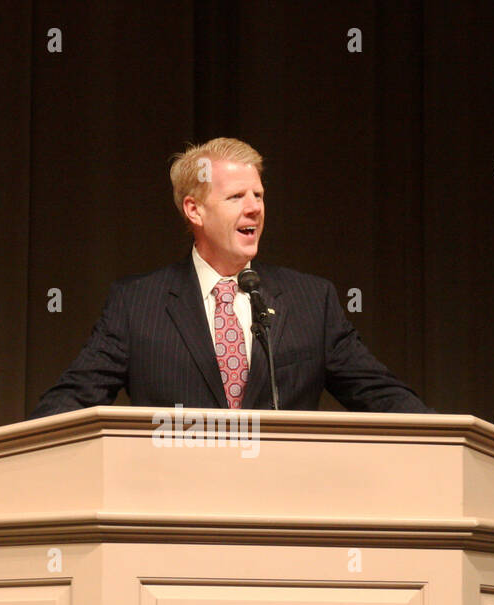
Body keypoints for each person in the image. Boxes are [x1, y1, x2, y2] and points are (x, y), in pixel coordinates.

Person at [30, 137, 432, 418]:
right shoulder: (137, 303)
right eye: (236, 197)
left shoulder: (312, 300)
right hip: (176, 514)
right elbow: (75, 396)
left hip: (281, 512)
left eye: (258, 195)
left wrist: (449, 444)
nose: (254, 208)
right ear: (194, 210)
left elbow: (380, 394)